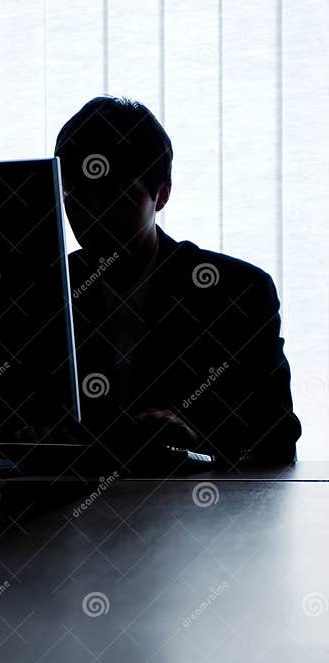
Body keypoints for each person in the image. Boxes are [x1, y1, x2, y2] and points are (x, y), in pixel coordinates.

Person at [54, 95, 301, 465]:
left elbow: (277, 435)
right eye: (75, 197)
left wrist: (197, 440)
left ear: (162, 195)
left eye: (118, 196)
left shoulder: (237, 292)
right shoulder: (42, 291)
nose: (94, 214)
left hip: (194, 512)